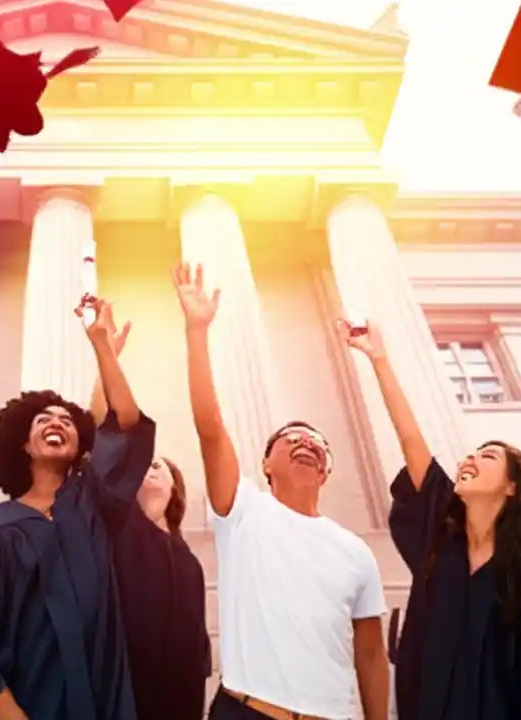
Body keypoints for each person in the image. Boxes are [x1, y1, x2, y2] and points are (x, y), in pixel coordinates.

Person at [340, 318, 521, 719]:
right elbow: (410, 439)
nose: (469, 459)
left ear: (513, 487)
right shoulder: (437, 546)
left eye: (487, 456)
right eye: (470, 454)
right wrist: (379, 360)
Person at [173, 263, 388, 720]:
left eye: (317, 443)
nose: (306, 442)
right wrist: (196, 331)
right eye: (291, 437)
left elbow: (370, 653)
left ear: (326, 471)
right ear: (265, 464)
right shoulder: (243, 510)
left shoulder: (355, 552)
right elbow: (210, 429)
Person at [0, 296, 156, 720]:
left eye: (65, 420)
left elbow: (127, 423)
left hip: (99, 697)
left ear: (83, 447)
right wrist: (3, 704)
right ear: (22, 444)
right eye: (42, 420)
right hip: (26, 697)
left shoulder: (94, 506)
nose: (55, 422)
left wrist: (101, 345)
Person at [87, 312, 211, 720]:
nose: (150, 467)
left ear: (176, 487)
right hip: (124, 697)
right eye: (144, 465)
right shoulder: (120, 528)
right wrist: (107, 361)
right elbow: (101, 437)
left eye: (160, 466)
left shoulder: (187, 557)